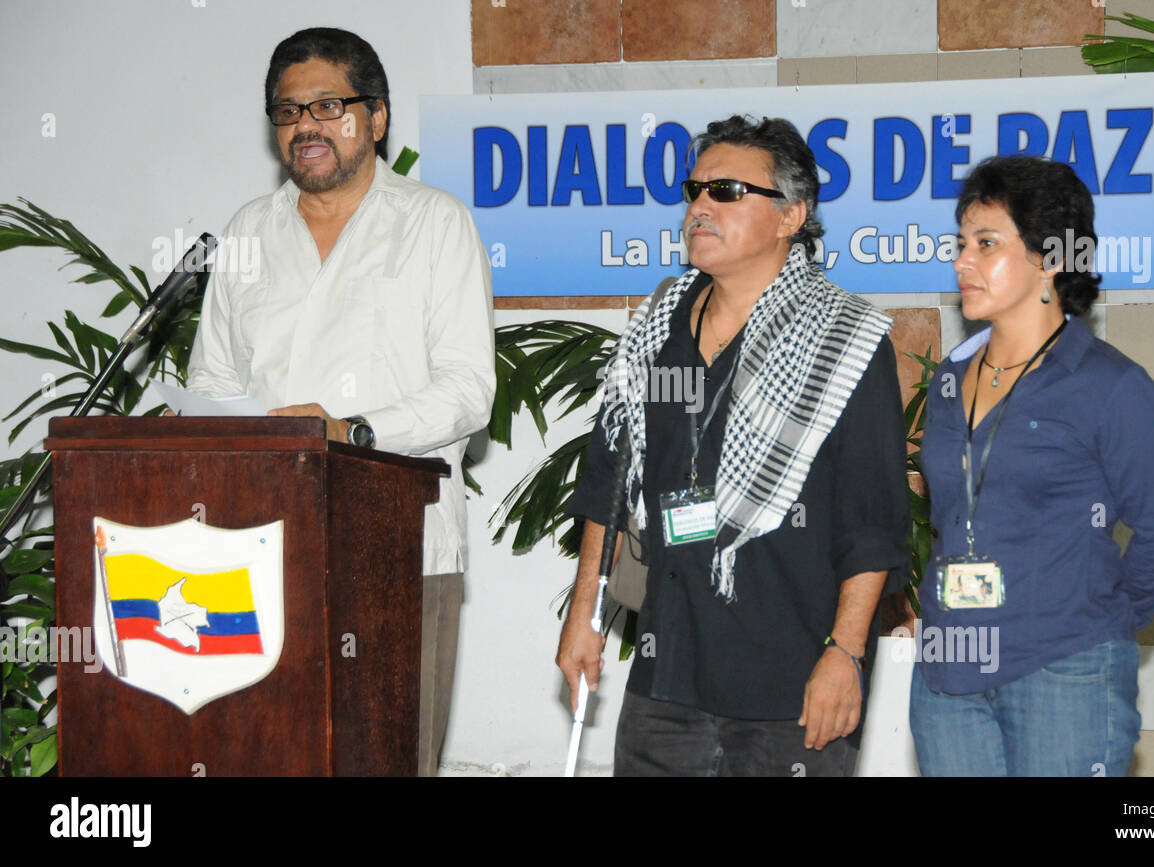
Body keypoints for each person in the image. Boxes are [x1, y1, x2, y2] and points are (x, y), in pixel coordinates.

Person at [556, 115, 910, 776]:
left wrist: (846, 653)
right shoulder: (658, 328)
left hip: (793, 687)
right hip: (666, 678)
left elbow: (874, 524)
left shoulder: (844, 340)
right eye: (694, 190)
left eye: (725, 191)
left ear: (790, 216)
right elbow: (608, 478)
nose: (698, 208)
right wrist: (584, 616)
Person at [186, 28, 495, 776]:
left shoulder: (435, 223)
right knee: (258, 756)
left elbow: (468, 390)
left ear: (377, 117)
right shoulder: (246, 235)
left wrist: (351, 430)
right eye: (288, 112)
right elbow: (212, 385)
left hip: (397, 548)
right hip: (251, 552)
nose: (306, 126)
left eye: (329, 105)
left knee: (385, 759)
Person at [910, 155, 1154, 776]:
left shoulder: (1112, 386)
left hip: (1064, 669)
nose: (963, 261)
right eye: (961, 243)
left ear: (1053, 257)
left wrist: (1098, 623)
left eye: (986, 243)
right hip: (947, 673)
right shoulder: (951, 382)